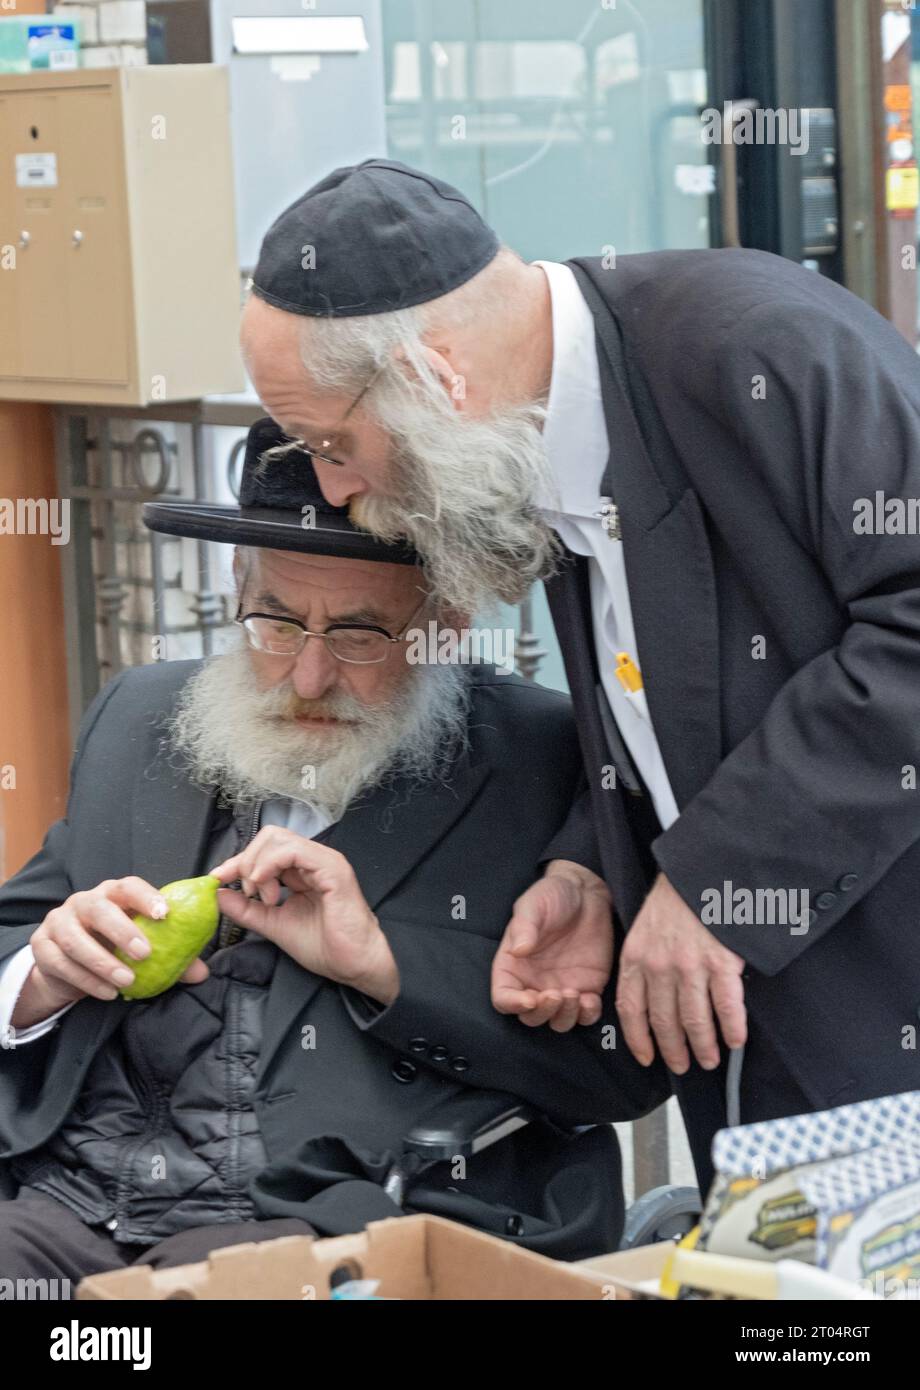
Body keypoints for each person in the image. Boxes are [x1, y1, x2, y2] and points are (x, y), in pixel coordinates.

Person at [240, 158, 920, 1191]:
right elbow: (663, 696)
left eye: (333, 444)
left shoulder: (755, 343)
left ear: (434, 376)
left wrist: (710, 880)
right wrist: (594, 866)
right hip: (774, 1015)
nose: (336, 490)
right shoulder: (535, 426)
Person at [0, 418, 666, 1294]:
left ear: (447, 623)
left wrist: (388, 969)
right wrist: (39, 981)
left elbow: (622, 1067)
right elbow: (18, 932)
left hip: (329, 1222)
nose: (308, 677)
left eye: (359, 637)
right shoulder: (142, 714)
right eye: (276, 621)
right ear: (238, 587)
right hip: (70, 1202)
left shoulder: (551, 762)